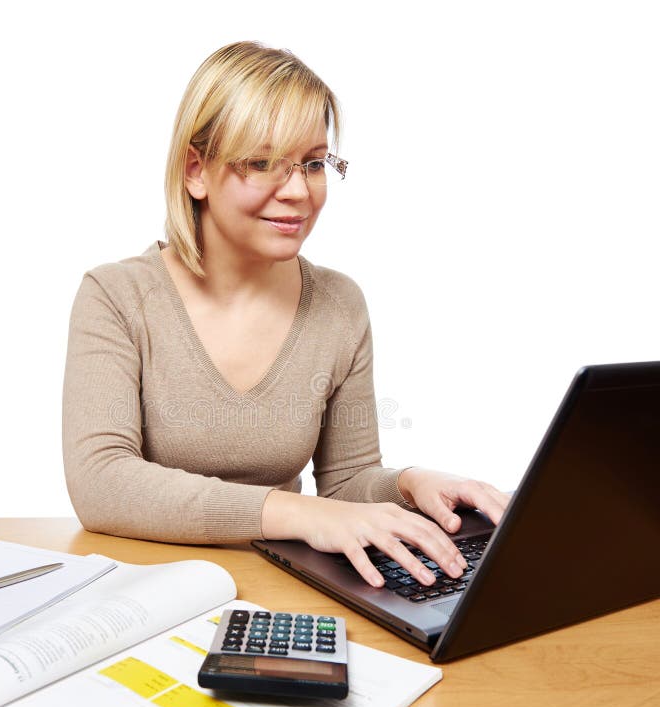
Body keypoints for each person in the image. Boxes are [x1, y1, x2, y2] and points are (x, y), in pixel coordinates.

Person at [62, 40, 510, 590]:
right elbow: (100, 482)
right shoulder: (116, 296)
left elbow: (345, 485)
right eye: (262, 163)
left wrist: (410, 485)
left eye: (314, 163)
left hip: (278, 589)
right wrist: (297, 512)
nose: (299, 191)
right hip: (143, 591)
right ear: (196, 171)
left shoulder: (339, 305)